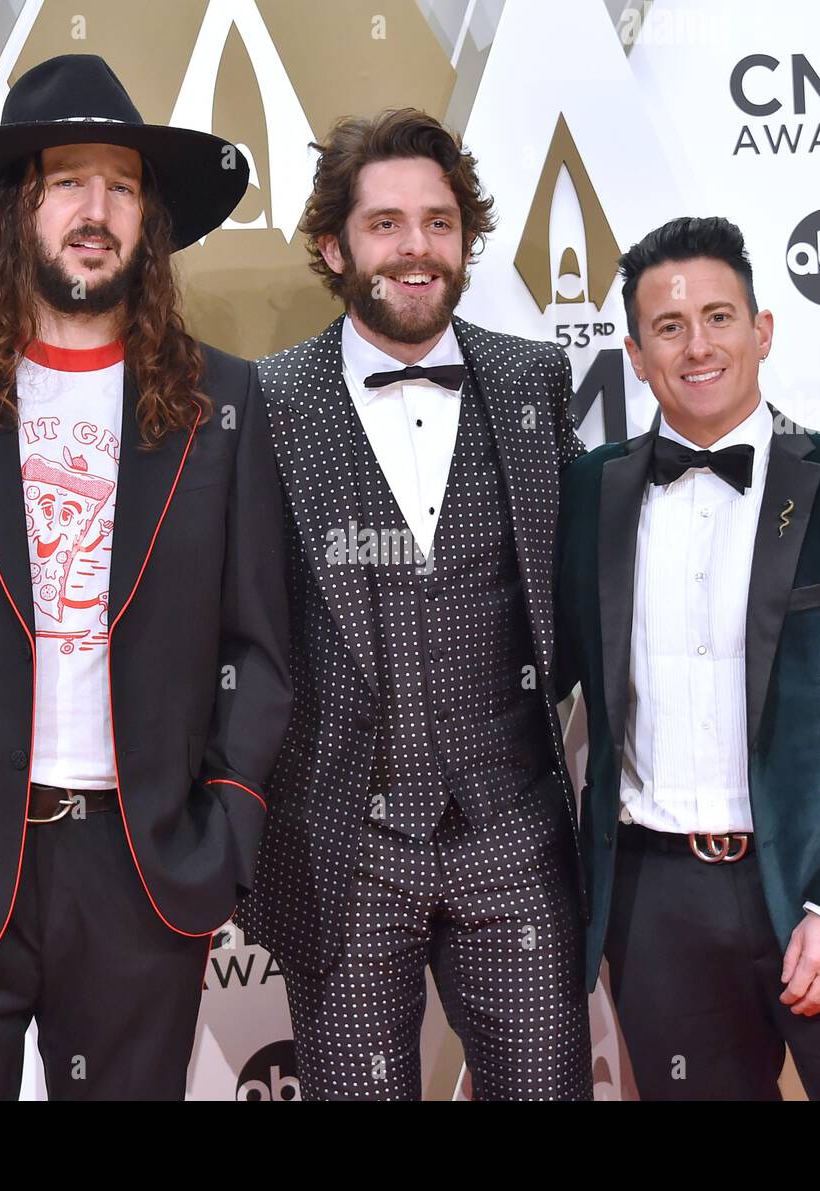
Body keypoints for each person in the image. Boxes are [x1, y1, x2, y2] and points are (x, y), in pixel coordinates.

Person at [0, 53, 291, 1099]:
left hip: (142, 875)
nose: (98, 207)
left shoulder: (226, 400)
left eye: (123, 185)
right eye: (66, 180)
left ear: (148, 221)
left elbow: (258, 648)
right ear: (10, 209)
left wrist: (221, 834)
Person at [555, 215, 820, 1100]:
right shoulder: (589, 492)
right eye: (668, 326)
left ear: (762, 329)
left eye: (719, 317)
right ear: (634, 351)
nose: (697, 346)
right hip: (658, 912)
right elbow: (542, 672)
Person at [237, 109, 592, 1100]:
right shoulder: (265, 402)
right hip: (338, 847)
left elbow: (581, 590)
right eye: (385, 223)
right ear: (332, 245)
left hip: (513, 832)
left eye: (438, 223)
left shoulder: (531, 382)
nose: (415, 247)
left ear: (465, 240)